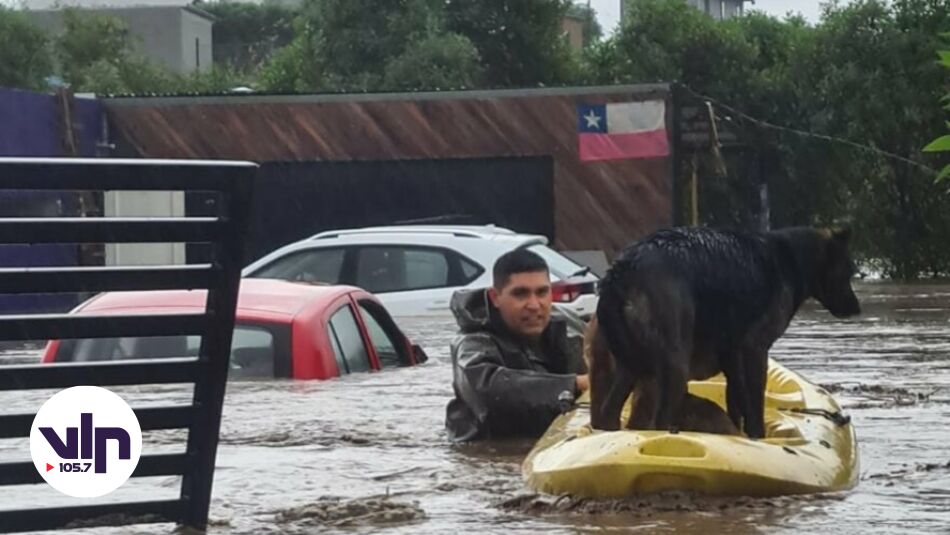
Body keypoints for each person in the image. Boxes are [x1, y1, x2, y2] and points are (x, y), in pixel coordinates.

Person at [445, 249, 590, 442]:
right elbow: (486, 388)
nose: (534, 304)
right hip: (492, 452)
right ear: (495, 297)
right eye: (520, 294)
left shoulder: (571, 325)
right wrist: (576, 384)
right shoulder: (472, 342)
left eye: (542, 292)